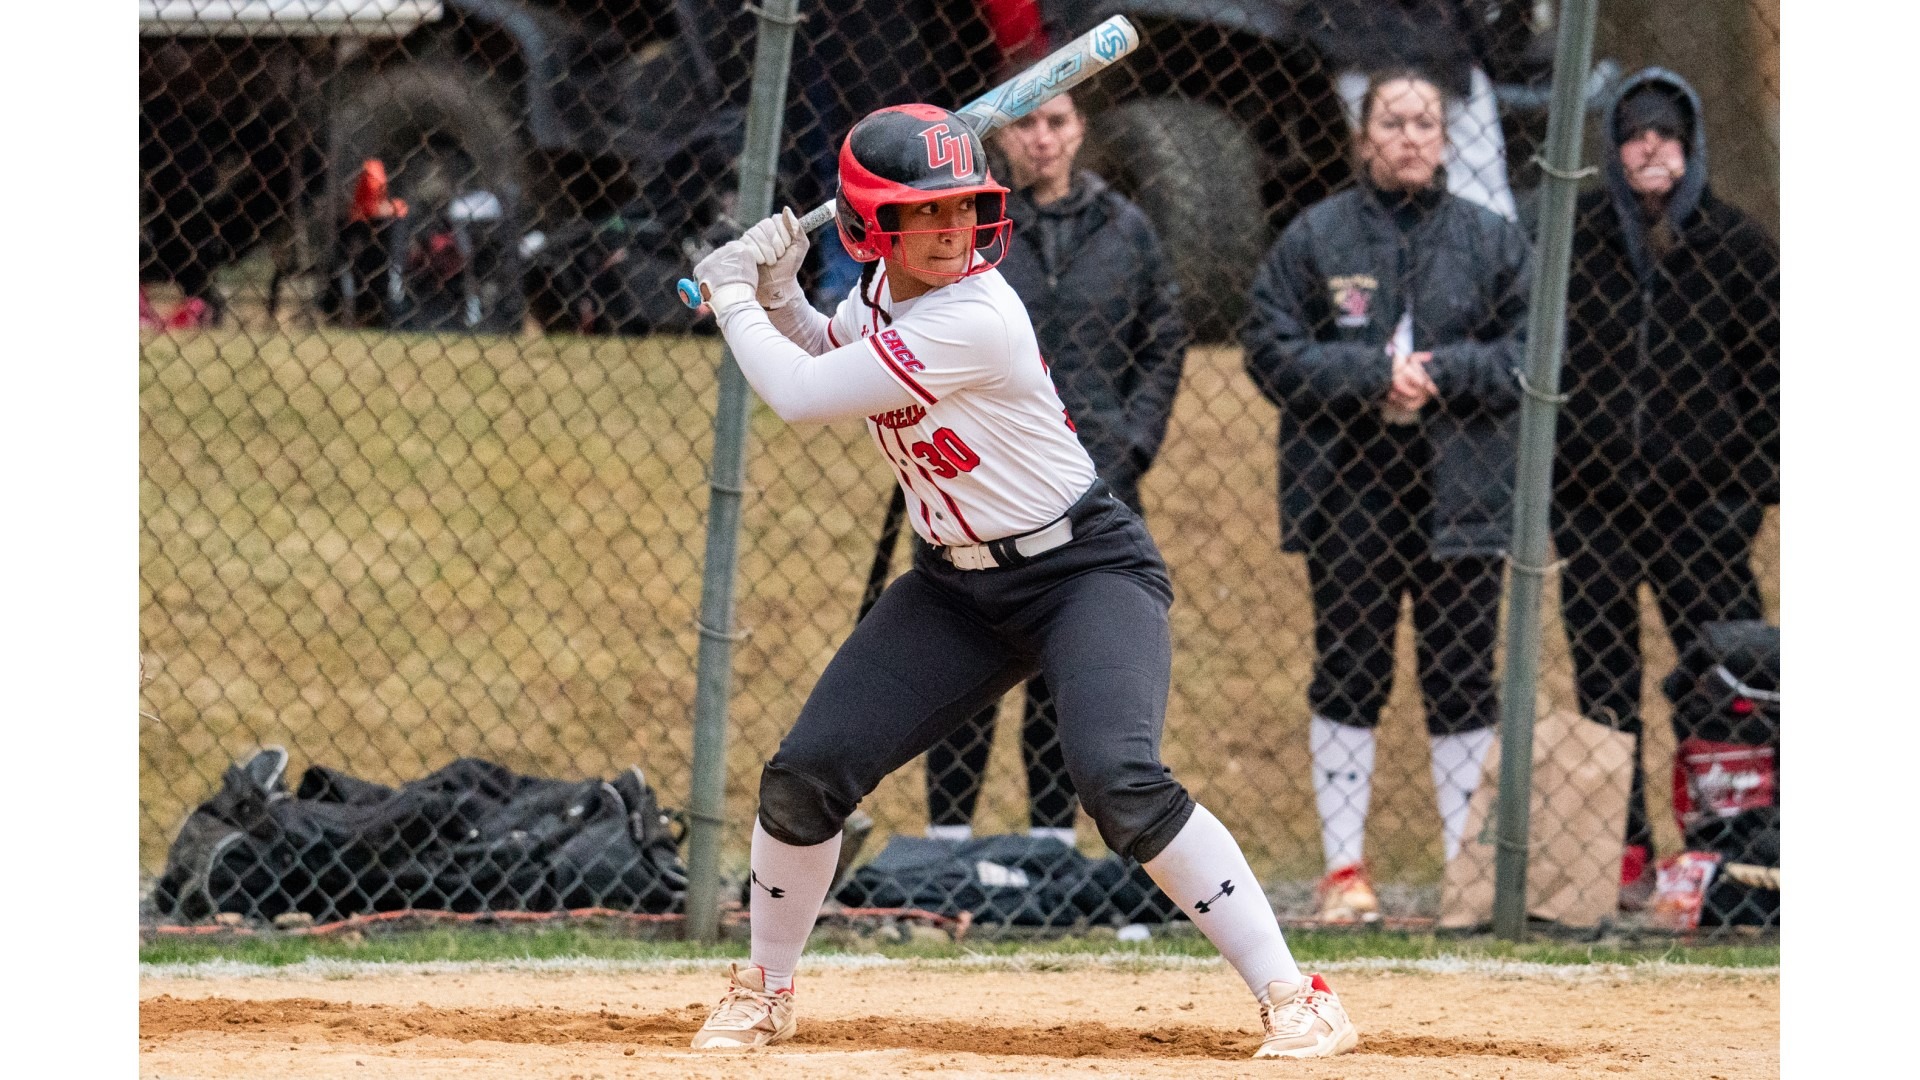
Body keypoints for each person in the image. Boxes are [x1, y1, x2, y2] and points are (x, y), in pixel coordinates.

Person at [687, 103, 1357, 1059]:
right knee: (802, 779)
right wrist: (786, 296)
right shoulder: (879, 295)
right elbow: (832, 353)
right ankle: (765, 989)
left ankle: (1299, 997)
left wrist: (735, 299)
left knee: (1118, 779)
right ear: (875, 228)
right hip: (955, 590)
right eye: (927, 212)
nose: (954, 227)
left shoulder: (978, 311)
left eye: (964, 204)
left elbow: (797, 397)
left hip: (1083, 568)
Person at [1240, 70, 1531, 923]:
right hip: (1350, 490)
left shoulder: (1491, 239)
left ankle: (1463, 875)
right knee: (1350, 670)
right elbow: (1268, 345)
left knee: (1461, 680)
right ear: (1365, 138)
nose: (1410, 136)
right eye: (1393, 122)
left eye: (1426, 123)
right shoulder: (1317, 236)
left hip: (1462, 491)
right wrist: (1371, 375)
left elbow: (1529, 349)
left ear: (1447, 139)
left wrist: (1440, 377)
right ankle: (1344, 874)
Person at [921, 91, 1190, 850]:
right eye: (1026, 123)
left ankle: (1052, 843)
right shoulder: (968, 238)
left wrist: (1130, 444)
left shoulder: (1126, 230)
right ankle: (947, 842)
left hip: (1091, 486)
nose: (1042, 140)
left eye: (1058, 123)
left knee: (1066, 670)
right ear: (999, 137)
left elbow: (1164, 339)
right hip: (975, 488)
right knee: (958, 664)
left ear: (1081, 132)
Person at [1554, 68, 1779, 908]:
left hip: (1705, 517)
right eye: (1635, 134)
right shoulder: (1574, 243)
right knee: (1605, 683)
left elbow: (1772, 389)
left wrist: (1742, 500)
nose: (1651, 148)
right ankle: (1627, 848)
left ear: (1690, 149)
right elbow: (1546, 376)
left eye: (1667, 135)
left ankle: (1726, 845)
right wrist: (1562, 498)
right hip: (1595, 513)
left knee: (1718, 682)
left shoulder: (1739, 246)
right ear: (1614, 151)